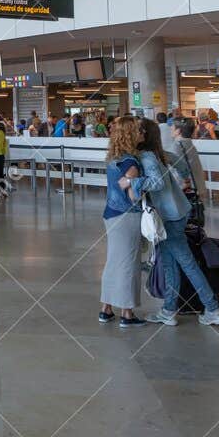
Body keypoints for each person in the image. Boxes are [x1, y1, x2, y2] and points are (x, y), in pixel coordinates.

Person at [135, 119, 219, 327]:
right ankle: (168, 309)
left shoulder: (146, 157)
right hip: (178, 210)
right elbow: (183, 166)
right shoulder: (159, 153)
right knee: (171, 263)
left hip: (169, 216)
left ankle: (212, 308)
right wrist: (183, 179)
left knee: (186, 263)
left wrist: (133, 182)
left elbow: (155, 183)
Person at [99, 115, 149, 328]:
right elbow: (129, 189)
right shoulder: (131, 162)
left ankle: (106, 308)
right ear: (130, 134)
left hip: (111, 213)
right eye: (139, 131)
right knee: (129, 263)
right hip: (127, 215)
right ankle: (127, 313)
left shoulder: (113, 158)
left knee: (113, 262)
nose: (143, 134)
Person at [167, 117, 207, 200]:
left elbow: (176, 169)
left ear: (178, 131)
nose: (170, 128)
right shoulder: (189, 144)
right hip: (196, 187)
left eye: (172, 126)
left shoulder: (177, 145)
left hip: (185, 189)